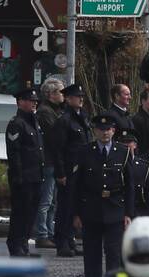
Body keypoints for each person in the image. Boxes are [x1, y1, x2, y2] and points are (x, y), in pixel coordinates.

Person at [72, 114, 134, 277]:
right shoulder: (85, 151)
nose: (105, 132)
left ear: (113, 131)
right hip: (91, 211)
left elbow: (129, 186)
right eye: (101, 129)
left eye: (108, 129)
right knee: (92, 259)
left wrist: (129, 213)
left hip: (115, 211)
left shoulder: (123, 152)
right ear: (95, 131)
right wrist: (76, 213)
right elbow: (76, 185)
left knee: (114, 257)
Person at [49, 84, 89, 257]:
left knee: (75, 206)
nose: (80, 99)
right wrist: (60, 173)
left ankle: (70, 239)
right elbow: (57, 149)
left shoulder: (82, 117)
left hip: (81, 170)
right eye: (76, 96)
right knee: (65, 207)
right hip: (69, 170)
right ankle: (62, 241)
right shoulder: (64, 120)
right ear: (68, 98)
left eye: (81, 96)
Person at [6, 85, 45, 257]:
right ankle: (16, 245)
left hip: (35, 175)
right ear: (20, 102)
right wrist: (18, 176)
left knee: (30, 213)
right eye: (30, 101)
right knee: (20, 213)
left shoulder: (34, 122)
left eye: (35, 101)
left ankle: (24, 244)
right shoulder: (17, 124)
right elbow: (14, 153)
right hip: (23, 177)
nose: (34, 104)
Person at [35, 79, 64, 249]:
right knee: (46, 200)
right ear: (51, 94)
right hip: (48, 160)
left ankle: (49, 232)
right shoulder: (46, 112)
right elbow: (55, 135)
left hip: (53, 160)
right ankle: (42, 234)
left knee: (52, 201)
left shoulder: (55, 110)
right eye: (61, 92)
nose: (63, 95)